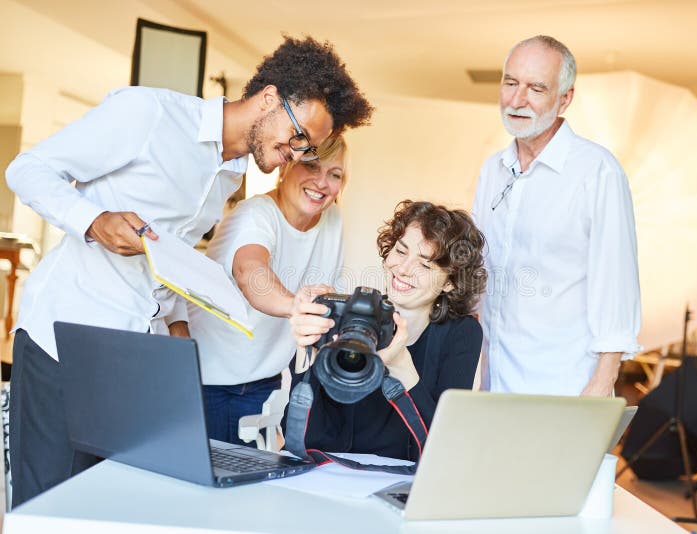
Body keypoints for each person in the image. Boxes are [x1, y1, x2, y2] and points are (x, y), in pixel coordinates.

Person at [4, 36, 373, 507]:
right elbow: (28, 169)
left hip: (129, 357)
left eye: (309, 149)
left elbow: (165, 256)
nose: (297, 155)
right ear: (268, 98)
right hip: (64, 339)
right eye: (298, 138)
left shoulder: (230, 172)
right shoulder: (149, 114)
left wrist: (177, 325)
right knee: (47, 509)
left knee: (97, 507)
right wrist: (94, 222)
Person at [472, 35, 641, 397]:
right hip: (493, 384)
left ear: (565, 98)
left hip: (564, 387)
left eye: (536, 88)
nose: (517, 100)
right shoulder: (493, 169)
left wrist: (603, 381)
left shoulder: (598, 172)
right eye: (510, 83)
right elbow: (479, 271)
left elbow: (616, 283)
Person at [288, 200, 486, 460]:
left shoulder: (461, 333)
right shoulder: (353, 316)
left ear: (450, 282)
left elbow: (445, 449)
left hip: (403, 488)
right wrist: (306, 356)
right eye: (401, 251)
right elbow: (300, 436)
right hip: (334, 475)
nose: (403, 269)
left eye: (425, 265)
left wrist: (403, 368)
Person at [190, 135, 349, 445]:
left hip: (265, 380)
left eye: (335, 174)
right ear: (285, 168)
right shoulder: (257, 213)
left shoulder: (332, 221)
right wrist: (297, 306)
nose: (322, 182)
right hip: (211, 382)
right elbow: (251, 272)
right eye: (312, 166)